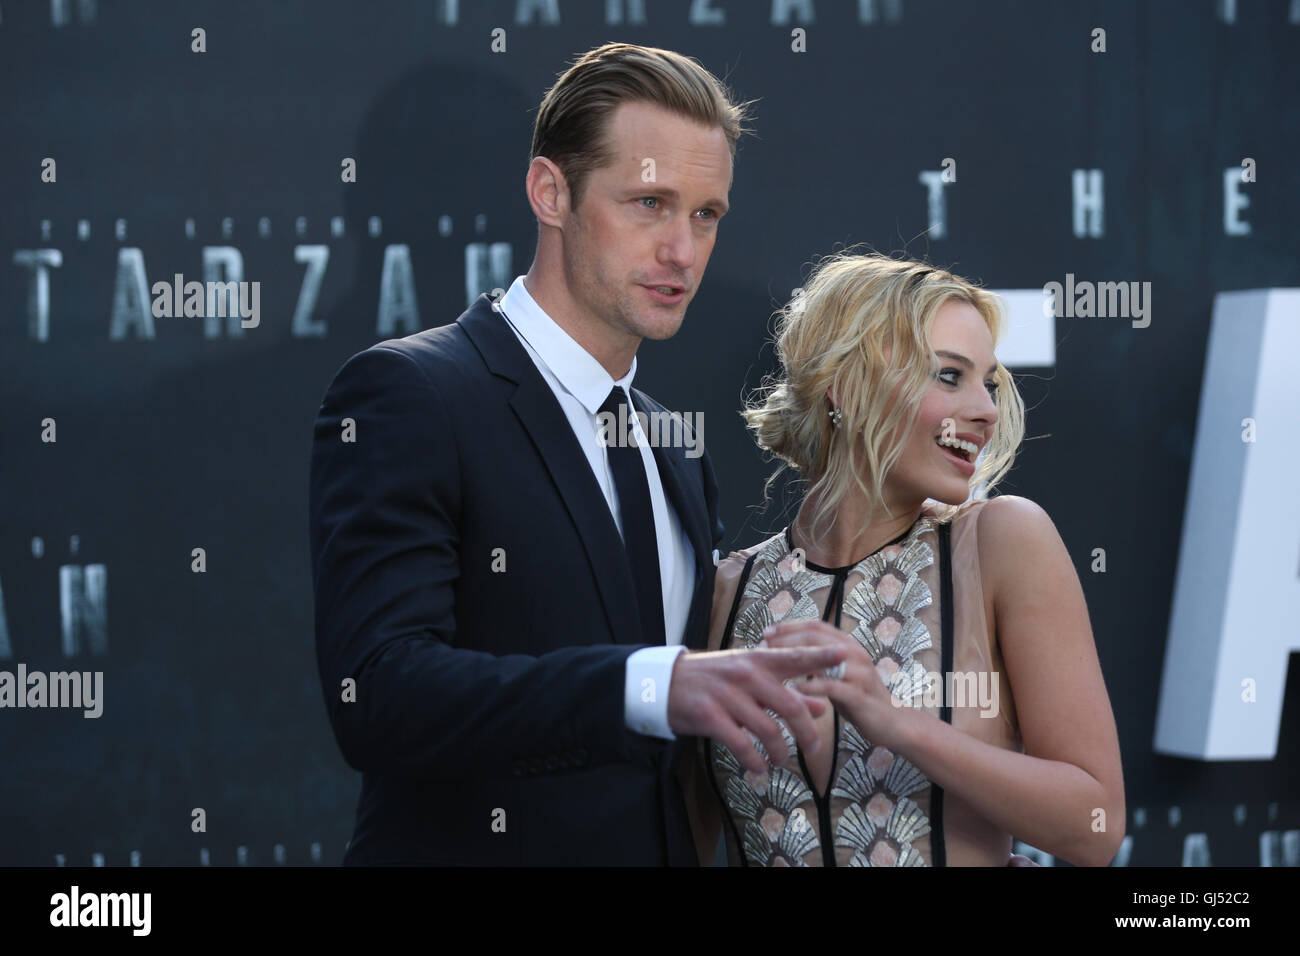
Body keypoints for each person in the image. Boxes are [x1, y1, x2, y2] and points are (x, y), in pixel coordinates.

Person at [307, 42, 848, 866]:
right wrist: (649, 684)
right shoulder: (410, 393)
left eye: (706, 214)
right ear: (549, 192)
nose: (684, 250)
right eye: (649, 204)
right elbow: (378, 696)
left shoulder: (671, 450)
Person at [681, 253, 1126, 866]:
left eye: (989, 383)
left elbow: (1096, 824)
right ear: (845, 384)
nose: (987, 411)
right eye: (949, 376)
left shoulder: (1002, 542)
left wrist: (898, 723)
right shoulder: (725, 592)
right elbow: (688, 839)